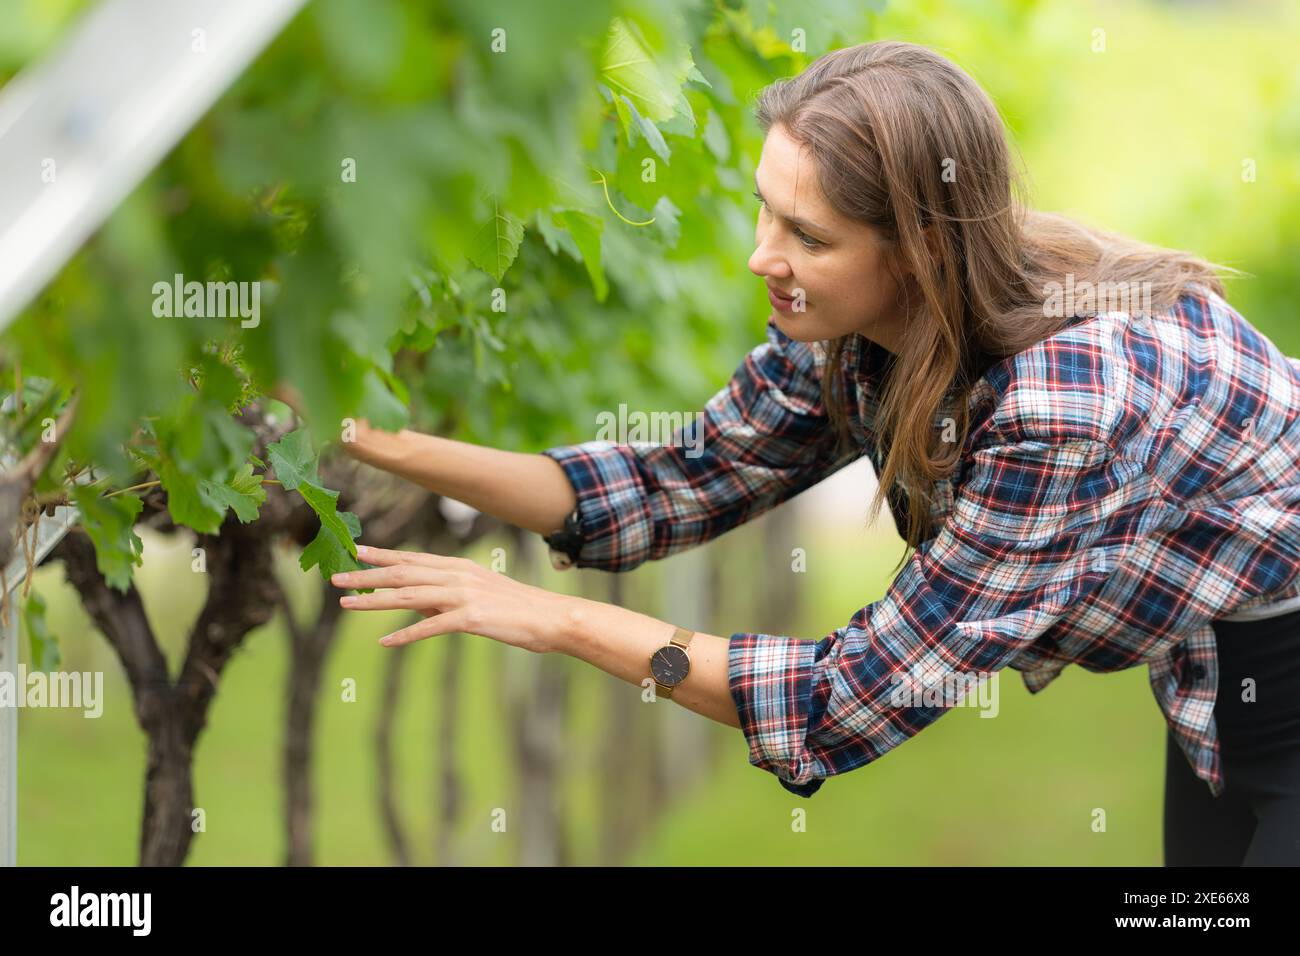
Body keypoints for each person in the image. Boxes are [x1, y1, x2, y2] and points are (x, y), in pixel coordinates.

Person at [318, 41, 1300, 865]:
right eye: (763, 207)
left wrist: (556, 620)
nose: (759, 254)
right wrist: (372, 437)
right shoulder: (849, 333)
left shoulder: (1059, 406)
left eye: (807, 234)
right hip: (1213, 671)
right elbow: (664, 486)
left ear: (914, 249)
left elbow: (842, 702)